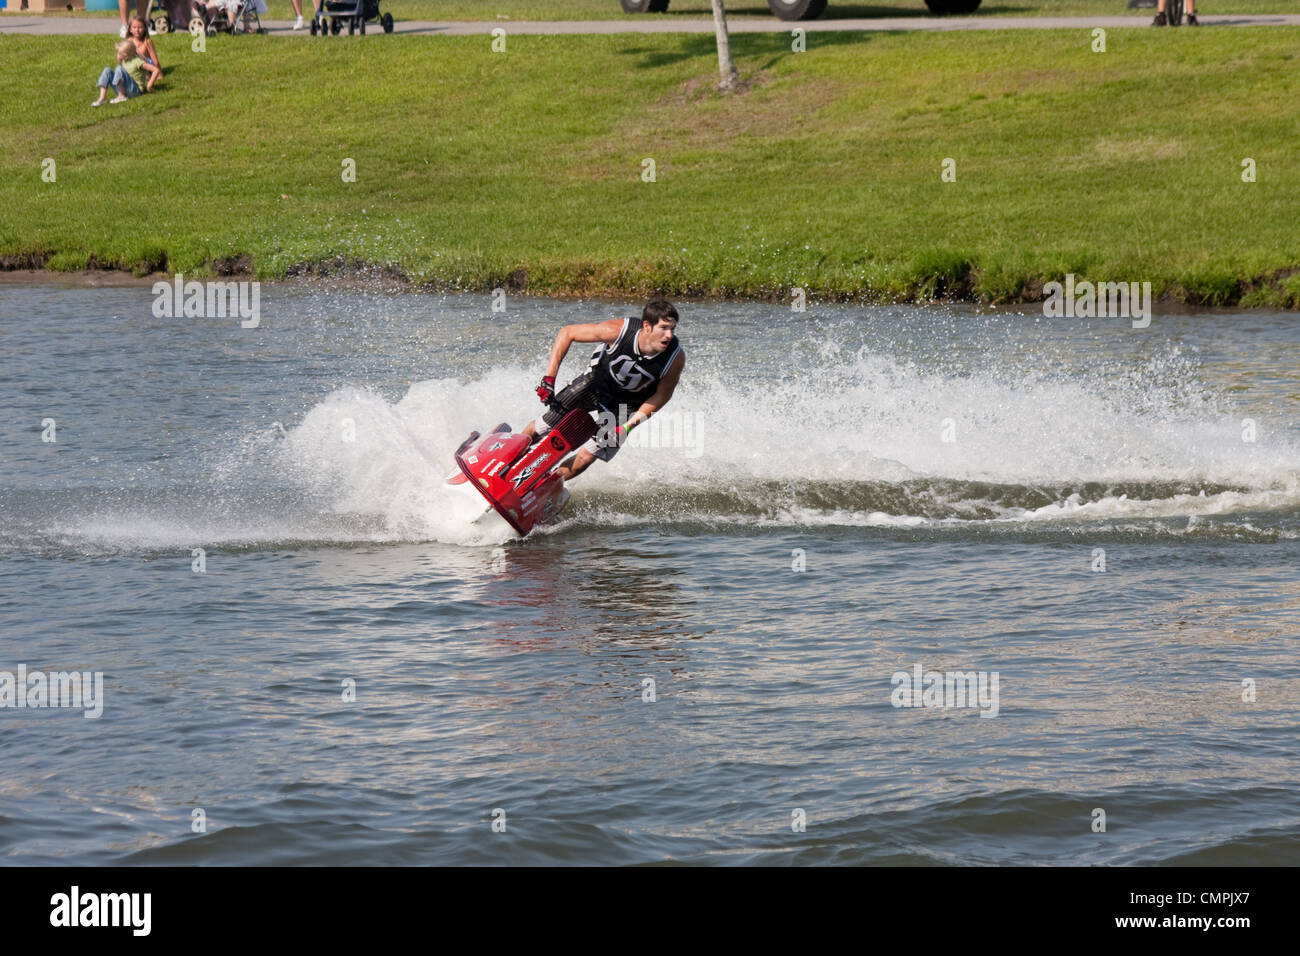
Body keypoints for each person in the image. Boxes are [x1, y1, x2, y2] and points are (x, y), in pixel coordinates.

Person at [521, 299, 686, 482]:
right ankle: (503, 462)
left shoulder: (674, 358)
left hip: (625, 406)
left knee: (587, 457)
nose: (669, 335)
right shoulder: (619, 331)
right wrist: (549, 379)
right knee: (544, 427)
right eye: (664, 328)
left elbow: (662, 396)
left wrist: (627, 426)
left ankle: (543, 486)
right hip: (594, 384)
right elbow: (567, 333)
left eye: (673, 329)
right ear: (647, 326)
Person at [92, 39, 161, 107]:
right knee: (107, 70)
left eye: (119, 53)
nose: (118, 55)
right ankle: (102, 98)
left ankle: (121, 96)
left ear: (126, 55)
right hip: (125, 88)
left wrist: (149, 85)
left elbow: (156, 70)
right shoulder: (125, 60)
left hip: (135, 91)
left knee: (119, 68)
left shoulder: (137, 61)